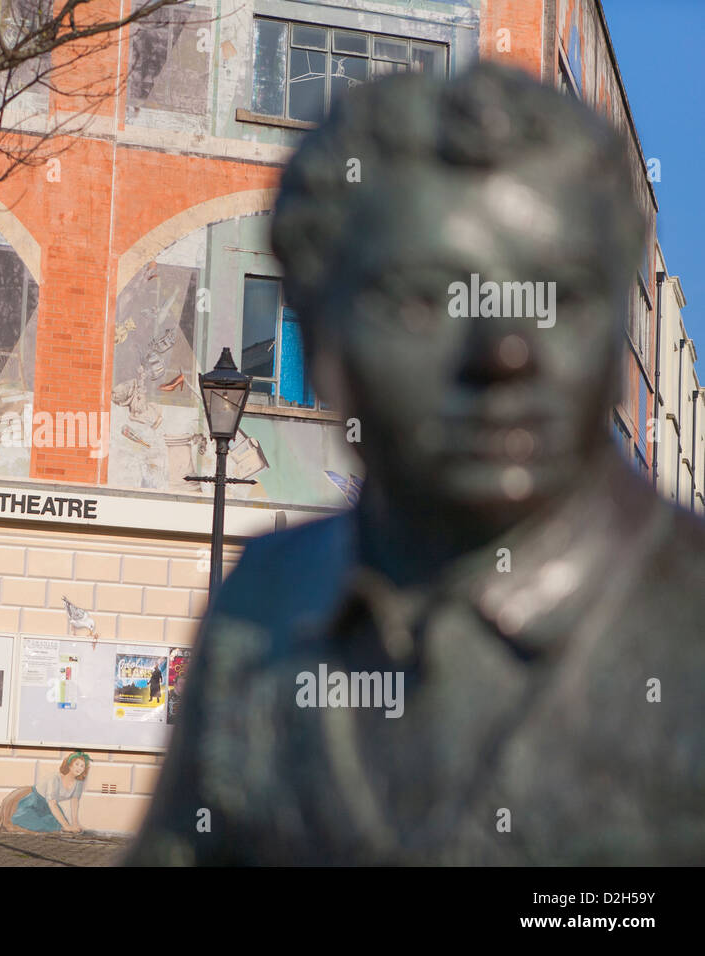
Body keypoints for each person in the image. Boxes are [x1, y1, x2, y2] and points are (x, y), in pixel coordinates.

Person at [127, 63, 705, 865]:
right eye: (421, 300)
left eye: (559, 295)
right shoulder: (262, 605)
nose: (504, 351)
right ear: (314, 331)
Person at [0, 752, 91, 833]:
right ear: (70, 764)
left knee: (56, 825)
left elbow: (75, 802)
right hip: (34, 801)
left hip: (48, 807)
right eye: (77, 764)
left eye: (82, 766)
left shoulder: (78, 783)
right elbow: (52, 802)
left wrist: (75, 824)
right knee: (30, 822)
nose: (79, 768)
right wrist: (66, 826)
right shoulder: (55, 778)